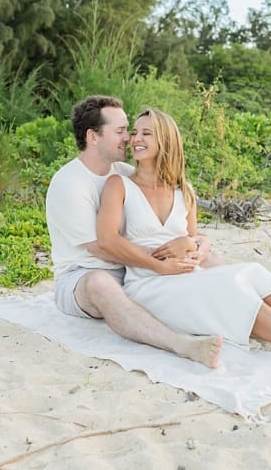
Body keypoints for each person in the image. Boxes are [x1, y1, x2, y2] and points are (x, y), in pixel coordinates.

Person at [96, 107, 271, 372]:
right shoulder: (119, 184)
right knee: (228, 285)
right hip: (149, 285)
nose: (136, 138)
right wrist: (157, 265)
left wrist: (198, 246)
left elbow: (193, 237)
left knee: (253, 271)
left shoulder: (183, 189)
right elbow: (108, 240)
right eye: (134, 132)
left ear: (166, 141)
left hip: (187, 275)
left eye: (147, 133)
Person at [45, 95, 223, 368]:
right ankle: (182, 345)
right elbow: (102, 247)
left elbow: (165, 206)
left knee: (209, 260)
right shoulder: (70, 182)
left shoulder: (123, 170)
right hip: (82, 276)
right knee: (100, 283)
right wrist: (161, 261)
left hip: (131, 268)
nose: (128, 138)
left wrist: (196, 242)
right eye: (120, 131)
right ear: (93, 137)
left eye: (128, 130)